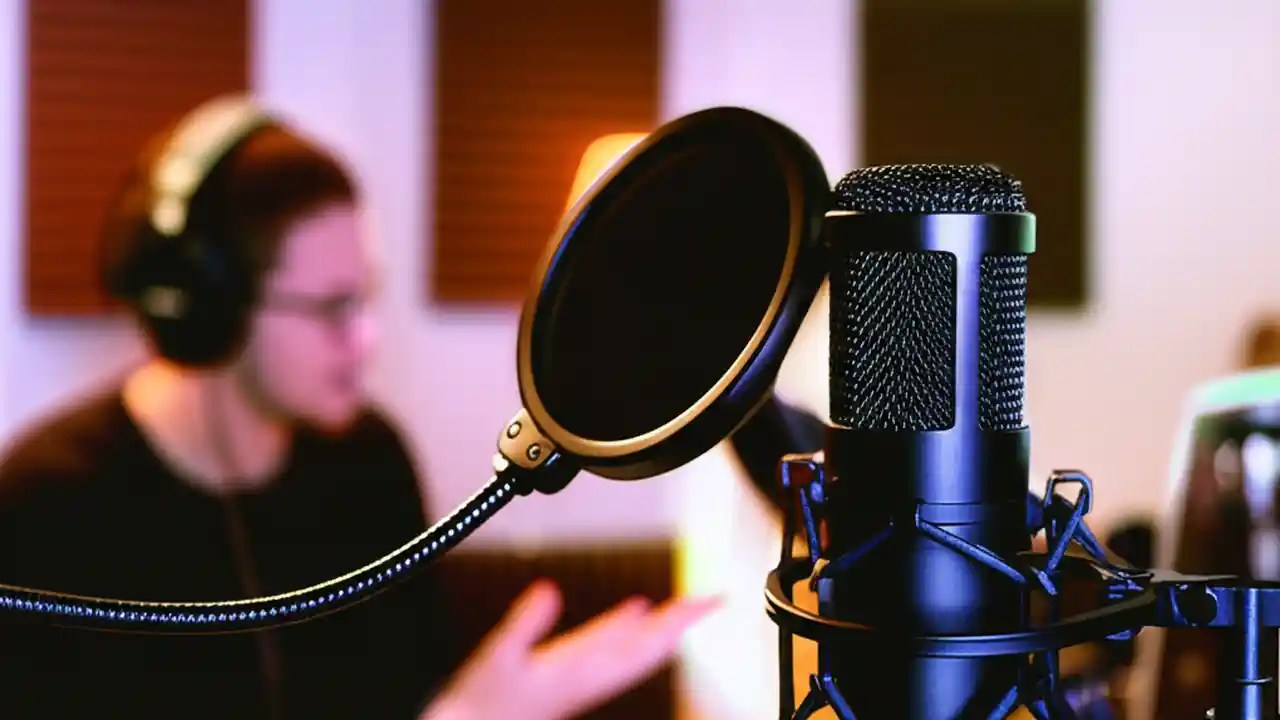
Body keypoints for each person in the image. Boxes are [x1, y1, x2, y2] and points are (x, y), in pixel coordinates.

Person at [0, 96, 715, 719]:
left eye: (365, 297)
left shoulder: (369, 461)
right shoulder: (46, 505)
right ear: (212, 305)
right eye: (334, 307)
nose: (368, 340)